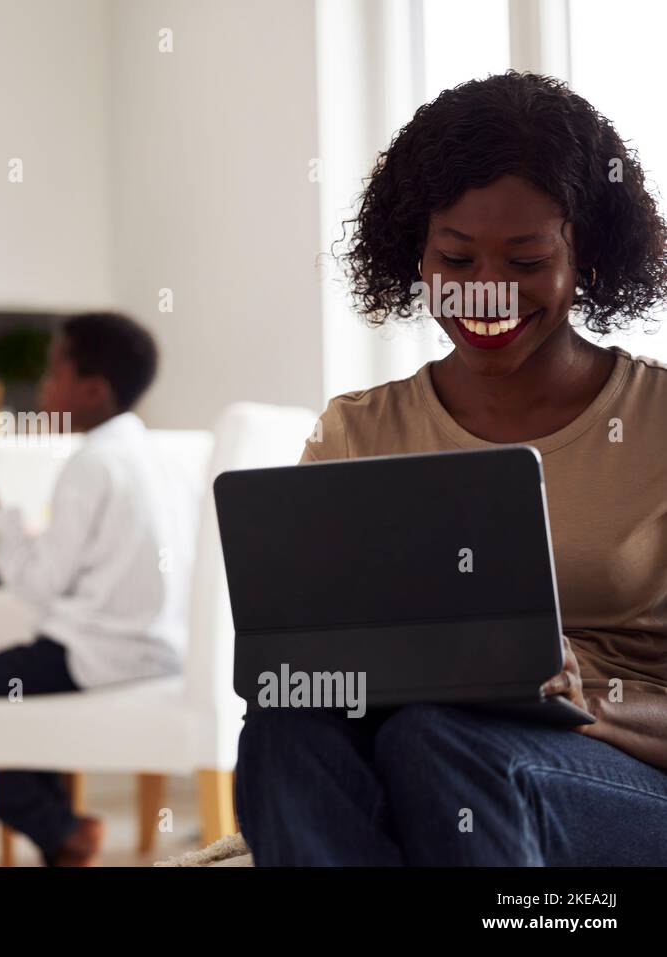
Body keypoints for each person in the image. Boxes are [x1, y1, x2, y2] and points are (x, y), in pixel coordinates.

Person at [236, 72, 667, 865]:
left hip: (622, 776)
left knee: (441, 741)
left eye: (527, 259)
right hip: (412, 739)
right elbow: (301, 665)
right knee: (285, 724)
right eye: (457, 258)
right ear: (415, 255)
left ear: (589, 260)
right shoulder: (359, 429)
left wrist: (586, 700)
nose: (486, 292)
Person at [0, 312, 197, 866]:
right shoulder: (160, 456)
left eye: (53, 373)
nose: (42, 387)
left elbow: (38, 587)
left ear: (92, 389)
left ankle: (62, 831)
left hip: (95, 657)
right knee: (12, 683)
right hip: (160, 656)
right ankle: (59, 835)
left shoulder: (91, 462)